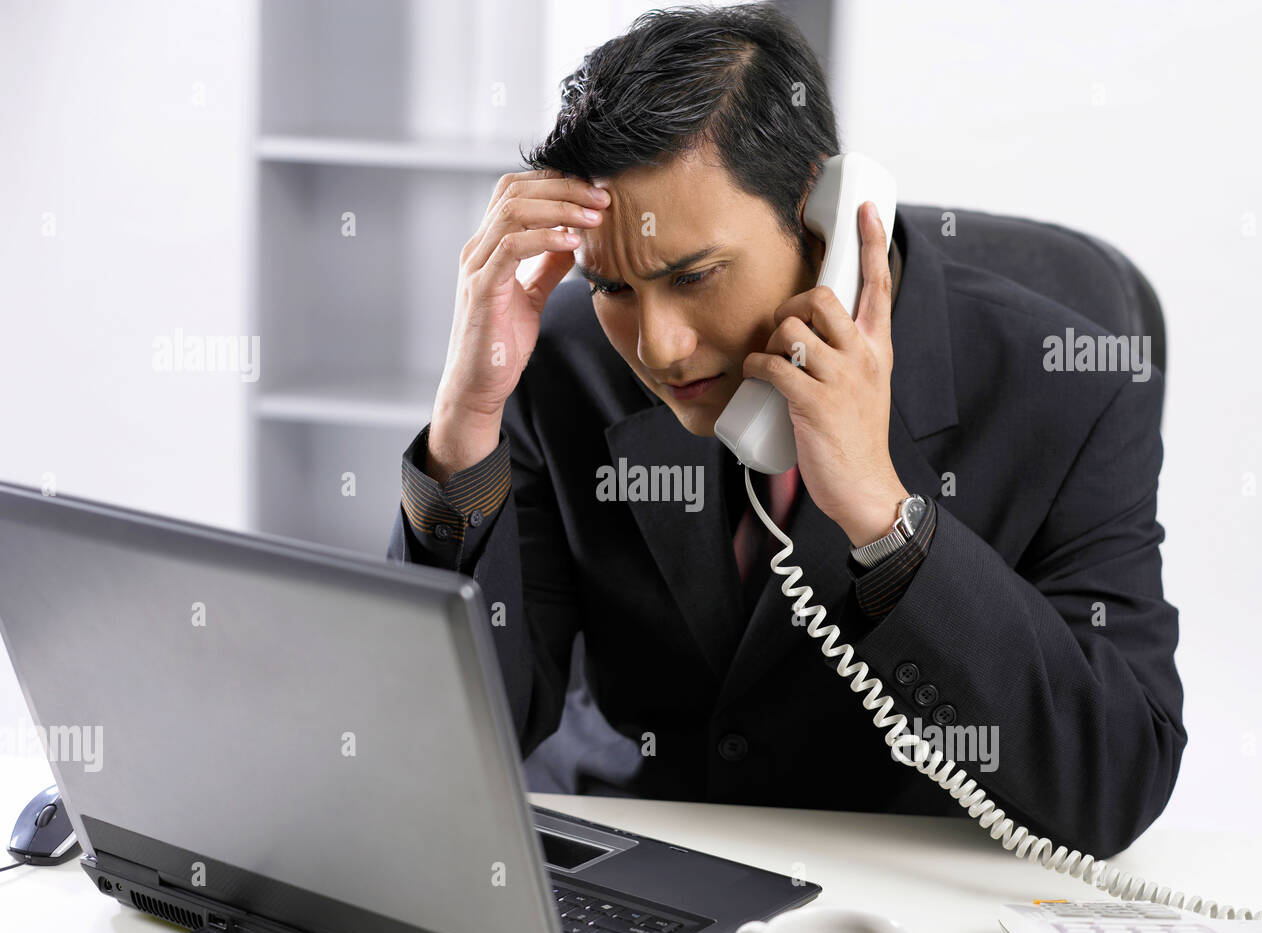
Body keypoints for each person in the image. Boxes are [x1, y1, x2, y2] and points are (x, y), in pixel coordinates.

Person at [387, 3, 1182, 859]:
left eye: (695, 275)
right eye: (614, 286)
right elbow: (440, 748)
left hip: (888, 903)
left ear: (824, 222)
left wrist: (888, 520)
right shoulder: (562, 357)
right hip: (620, 862)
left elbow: (1115, 781)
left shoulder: (1069, 386)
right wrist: (467, 422)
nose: (658, 346)